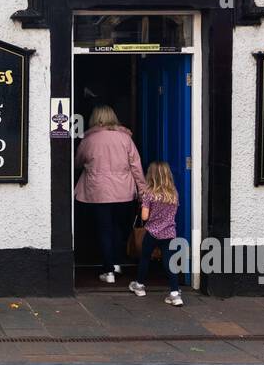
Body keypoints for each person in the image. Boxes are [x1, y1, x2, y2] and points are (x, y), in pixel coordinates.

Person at [75, 105, 146, 283]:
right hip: (123, 191)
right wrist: (143, 190)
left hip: (98, 192)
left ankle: (108, 272)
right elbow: (136, 167)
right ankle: (117, 263)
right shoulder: (125, 138)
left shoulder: (89, 139)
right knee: (118, 228)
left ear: (95, 118)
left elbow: (78, 162)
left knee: (104, 229)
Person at [129, 161, 184, 306]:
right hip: (169, 232)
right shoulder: (173, 193)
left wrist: (144, 208)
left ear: (151, 176)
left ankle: (139, 285)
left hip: (152, 232)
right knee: (169, 262)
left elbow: (145, 217)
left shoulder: (148, 194)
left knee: (145, 257)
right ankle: (174, 293)